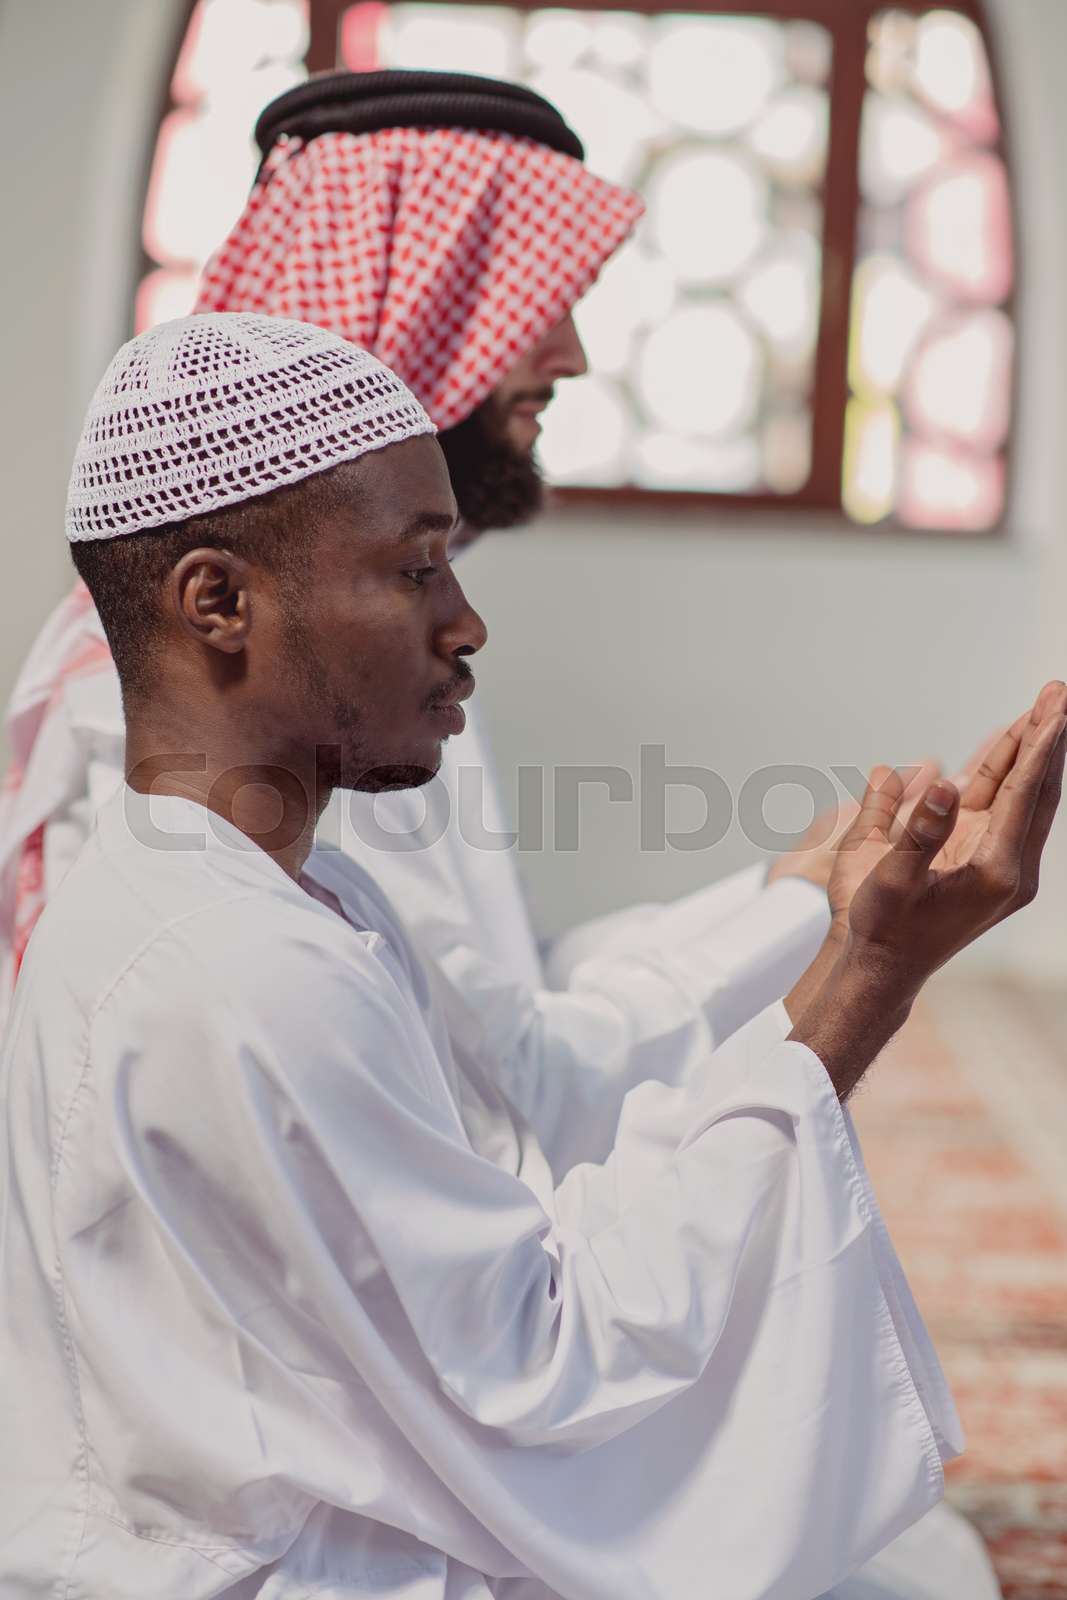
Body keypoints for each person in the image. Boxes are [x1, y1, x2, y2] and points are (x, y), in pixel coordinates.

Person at [4, 311, 1064, 1600]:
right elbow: (546, 1370)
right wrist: (870, 974)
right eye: (415, 571)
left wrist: (841, 937)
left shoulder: (273, 890)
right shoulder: (235, 970)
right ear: (219, 600)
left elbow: (493, 1265)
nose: (466, 625)